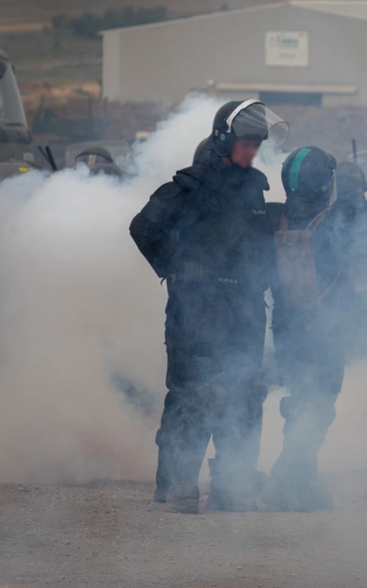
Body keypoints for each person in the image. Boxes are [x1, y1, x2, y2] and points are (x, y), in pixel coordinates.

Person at [130, 99, 288, 514]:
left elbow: (260, 248)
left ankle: (231, 485)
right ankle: (182, 483)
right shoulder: (191, 185)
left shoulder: (256, 188)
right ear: (224, 138)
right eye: (246, 142)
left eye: (257, 144)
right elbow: (143, 226)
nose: (252, 150)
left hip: (245, 309)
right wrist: (175, 267)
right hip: (196, 309)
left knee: (244, 393)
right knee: (194, 393)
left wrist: (271, 280)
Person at [263, 146, 360, 512]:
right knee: (317, 405)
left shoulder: (274, 218)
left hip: (287, 330)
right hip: (323, 332)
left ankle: (301, 480)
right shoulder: (335, 221)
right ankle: (288, 479)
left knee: (305, 401)